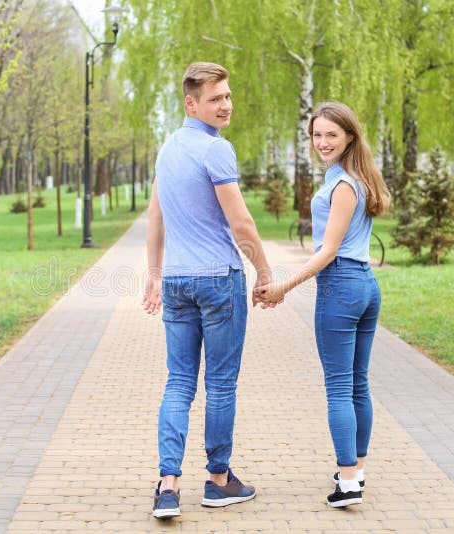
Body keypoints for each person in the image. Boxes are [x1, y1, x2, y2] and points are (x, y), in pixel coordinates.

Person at [142, 61, 274, 519]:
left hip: (178, 282)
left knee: (179, 382)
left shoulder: (167, 150)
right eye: (216, 98)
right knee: (219, 384)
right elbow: (241, 222)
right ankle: (218, 481)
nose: (226, 105)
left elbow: (156, 219)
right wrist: (265, 271)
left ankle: (167, 485)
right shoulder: (216, 151)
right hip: (218, 280)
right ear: (191, 103)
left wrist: (156, 274)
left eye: (228, 96)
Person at [256, 101, 390, 508]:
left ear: (349, 136)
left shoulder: (345, 185)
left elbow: (328, 251)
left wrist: (283, 286)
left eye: (332, 134)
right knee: (357, 384)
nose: (322, 142)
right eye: (317, 134)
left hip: (342, 287)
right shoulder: (350, 178)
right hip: (364, 286)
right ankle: (356, 471)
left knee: (340, 387)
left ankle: (348, 483)